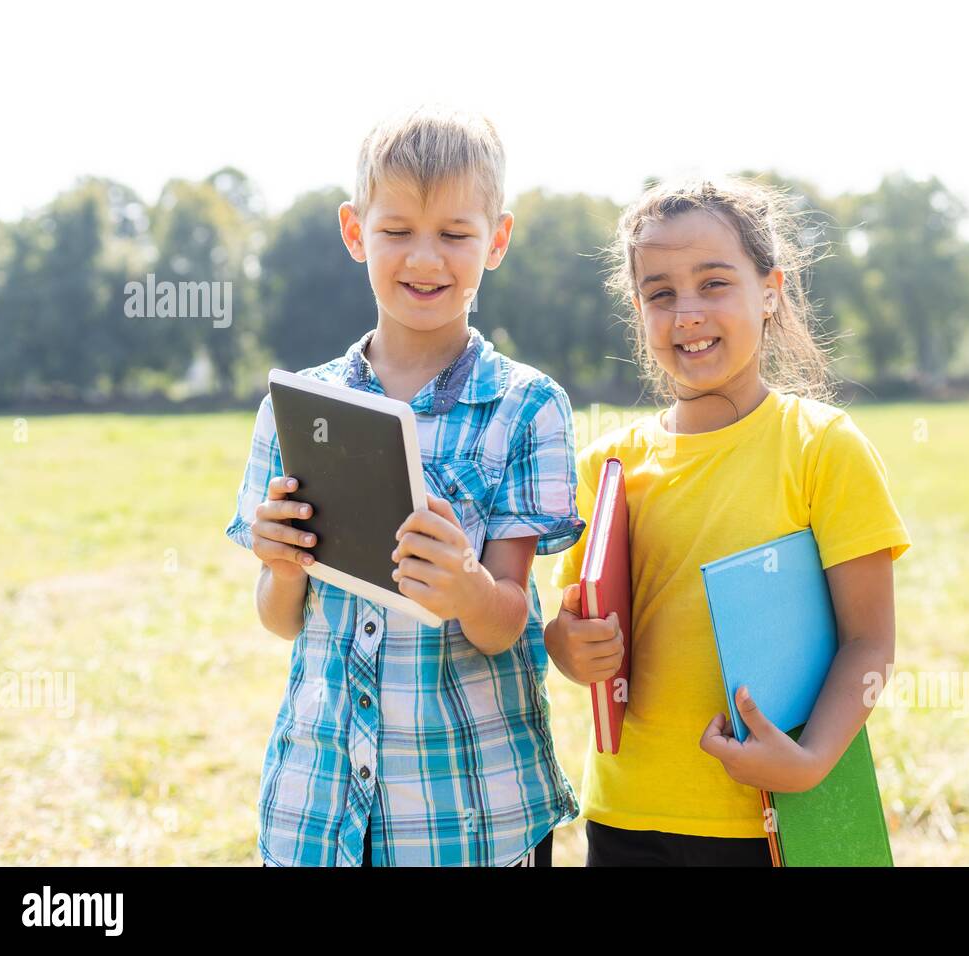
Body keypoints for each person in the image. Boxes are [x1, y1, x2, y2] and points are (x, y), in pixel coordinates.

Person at [225, 105, 583, 866]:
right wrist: (283, 565)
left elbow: (506, 621)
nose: (426, 258)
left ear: (498, 241)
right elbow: (280, 618)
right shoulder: (297, 407)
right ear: (356, 234)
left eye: (456, 233)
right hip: (316, 810)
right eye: (397, 232)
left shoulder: (526, 407)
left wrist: (466, 588)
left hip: (468, 817)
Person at [547, 176, 912, 866]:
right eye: (660, 293)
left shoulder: (821, 448)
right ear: (638, 311)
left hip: (772, 822)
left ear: (769, 291)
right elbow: (571, 634)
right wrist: (569, 646)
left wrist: (806, 763)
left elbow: (869, 643)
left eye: (714, 283)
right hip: (625, 819)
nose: (687, 313)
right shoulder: (607, 466)